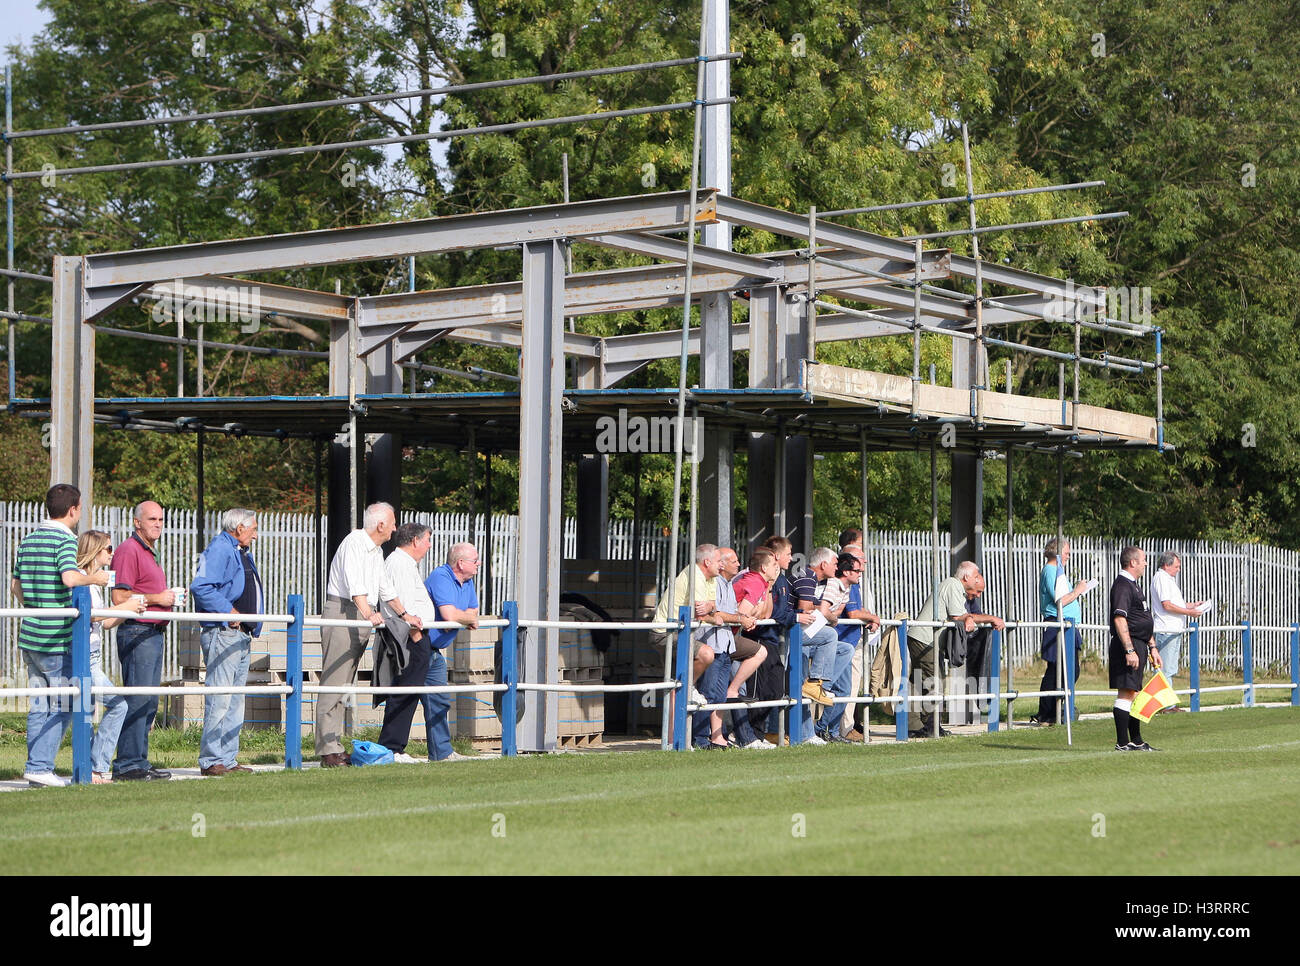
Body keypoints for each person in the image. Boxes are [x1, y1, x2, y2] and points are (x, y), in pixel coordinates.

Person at [10, 485, 109, 787]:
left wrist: (37, 607)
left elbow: (16, 587)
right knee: (64, 704)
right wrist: (95, 578)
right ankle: (40, 766)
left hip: (31, 638)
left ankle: (35, 768)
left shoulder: (28, 540)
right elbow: (69, 577)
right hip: (56, 640)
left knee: (40, 704)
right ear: (73, 510)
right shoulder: (65, 539)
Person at [316, 502, 423, 767]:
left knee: (344, 684)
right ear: (381, 525)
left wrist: (405, 615)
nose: (396, 528)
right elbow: (356, 585)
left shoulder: (375, 551)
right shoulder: (355, 542)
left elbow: (384, 587)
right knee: (334, 682)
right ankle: (327, 749)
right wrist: (368, 612)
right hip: (345, 611)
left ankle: (335, 745)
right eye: (393, 522)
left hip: (360, 613)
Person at [190, 508, 264, 777]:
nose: (255, 535)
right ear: (240, 528)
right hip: (224, 632)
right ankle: (211, 760)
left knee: (234, 700)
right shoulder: (220, 548)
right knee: (220, 698)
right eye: (253, 529)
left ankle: (228, 758)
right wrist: (228, 611)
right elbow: (200, 587)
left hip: (240, 633)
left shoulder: (239, 550)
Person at [109, 499, 175, 782]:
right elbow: (119, 597)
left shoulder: (149, 552)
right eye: (152, 519)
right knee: (138, 699)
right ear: (137, 522)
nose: (158, 524)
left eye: (160, 519)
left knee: (148, 701)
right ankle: (127, 764)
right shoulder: (128, 551)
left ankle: (139, 760)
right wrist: (157, 599)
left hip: (153, 633)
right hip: (137, 631)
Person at [76, 530, 146, 783]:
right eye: (108, 549)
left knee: (87, 712)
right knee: (118, 705)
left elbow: (104, 622)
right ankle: (96, 767)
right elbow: (92, 614)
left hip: (91, 656)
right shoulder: (83, 579)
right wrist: (124, 606)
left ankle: (88, 769)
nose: (112, 553)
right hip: (85, 658)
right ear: (95, 551)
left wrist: (131, 610)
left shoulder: (93, 582)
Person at [905, 561, 1004, 737]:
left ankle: (918, 726)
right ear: (966, 577)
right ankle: (929, 726)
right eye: (975, 578)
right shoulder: (952, 585)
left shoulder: (955, 588)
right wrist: (992, 619)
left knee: (921, 682)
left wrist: (971, 619)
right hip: (926, 639)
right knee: (935, 682)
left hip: (924, 639)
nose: (977, 592)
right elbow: (959, 615)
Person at [374, 523, 437, 762]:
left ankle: (395, 746)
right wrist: (415, 634)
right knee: (404, 692)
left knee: (409, 693)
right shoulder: (399, 564)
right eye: (427, 540)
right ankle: (391, 747)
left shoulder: (404, 564)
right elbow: (402, 605)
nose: (429, 545)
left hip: (413, 636)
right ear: (415, 541)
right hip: (409, 638)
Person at [692, 547, 758, 749]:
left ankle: (714, 738)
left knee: (718, 696)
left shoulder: (729, 584)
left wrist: (744, 617)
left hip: (725, 645)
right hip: (712, 643)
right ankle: (699, 739)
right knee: (708, 693)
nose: (738, 565)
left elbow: (725, 614)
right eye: (734, 561)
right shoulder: (714, 583)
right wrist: (740, 618)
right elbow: (718, 613)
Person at [423, 542, 481, 761]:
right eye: (475, 561)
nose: (478, 564)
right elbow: (448, 616)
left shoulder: (468, 582)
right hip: (419, 647)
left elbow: (473, 612)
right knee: (403, 699)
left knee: (439, 700)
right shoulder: (441, 576)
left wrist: (459, 618)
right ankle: (390, 749)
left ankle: (442, 753)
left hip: (435, 651)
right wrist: (457, 618)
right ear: (460, 563)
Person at [652, 543, 722, 709]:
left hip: (682, 632)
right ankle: (688, 687)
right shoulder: (695, 575)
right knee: (706, 654)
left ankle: (686, 688)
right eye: (719, 561)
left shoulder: (711, 577)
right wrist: (713, 618)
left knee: (675, 688)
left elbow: (712, 605)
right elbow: (700, 614)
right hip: (665, 633)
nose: (722, 564)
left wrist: (710, 609)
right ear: (707, 562)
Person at [1033, 538, 1091, 726]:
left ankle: (1054, 709)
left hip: (1067, 625)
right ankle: (1047, 713)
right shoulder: (1051, 571)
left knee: (1068, 669)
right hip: (1058, 625)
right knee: (1058, 669)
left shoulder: (1057, 571)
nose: (1069, 555)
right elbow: (1060, 600)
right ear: (1057, 553)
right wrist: (1078, 590)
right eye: (1066, 552)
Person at [1109, 546, 1161, 751]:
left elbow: (1142, 621)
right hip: (1127, 646)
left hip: (1139, 644)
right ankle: (1122, 743)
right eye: (1143, 560)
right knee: (1127, 693)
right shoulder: (1122, 585)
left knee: (1135, 692)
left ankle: (1136, 740)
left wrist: (1152, 647)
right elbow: (1120, 618)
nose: (1146, 563)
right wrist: (1129, 650)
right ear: (1133, 563)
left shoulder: (1134, 585)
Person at [837, 544, 881, 740]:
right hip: (845, 642)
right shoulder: (847, 584)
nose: (864, 565)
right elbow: (853, 612)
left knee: (846, 687)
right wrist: (873, 617)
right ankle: (843, 729)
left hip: (848, 640)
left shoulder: (851, 583)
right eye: (860, 561)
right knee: (847, 687)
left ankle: (839, 728)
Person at [1150, 552, 1204, 693]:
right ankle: (1164, 704)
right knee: (1165, 669)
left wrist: (1192, 605)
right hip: (1167, 630)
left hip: (1173, 629)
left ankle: (1167, 703)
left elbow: (1173, 603)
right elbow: (1166, 605)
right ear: (1166, 565)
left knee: (1169, 668)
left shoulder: (1167, 579)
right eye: (1176, 566)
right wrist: (1189, 613)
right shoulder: (1161, 578)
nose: (1178, 569)